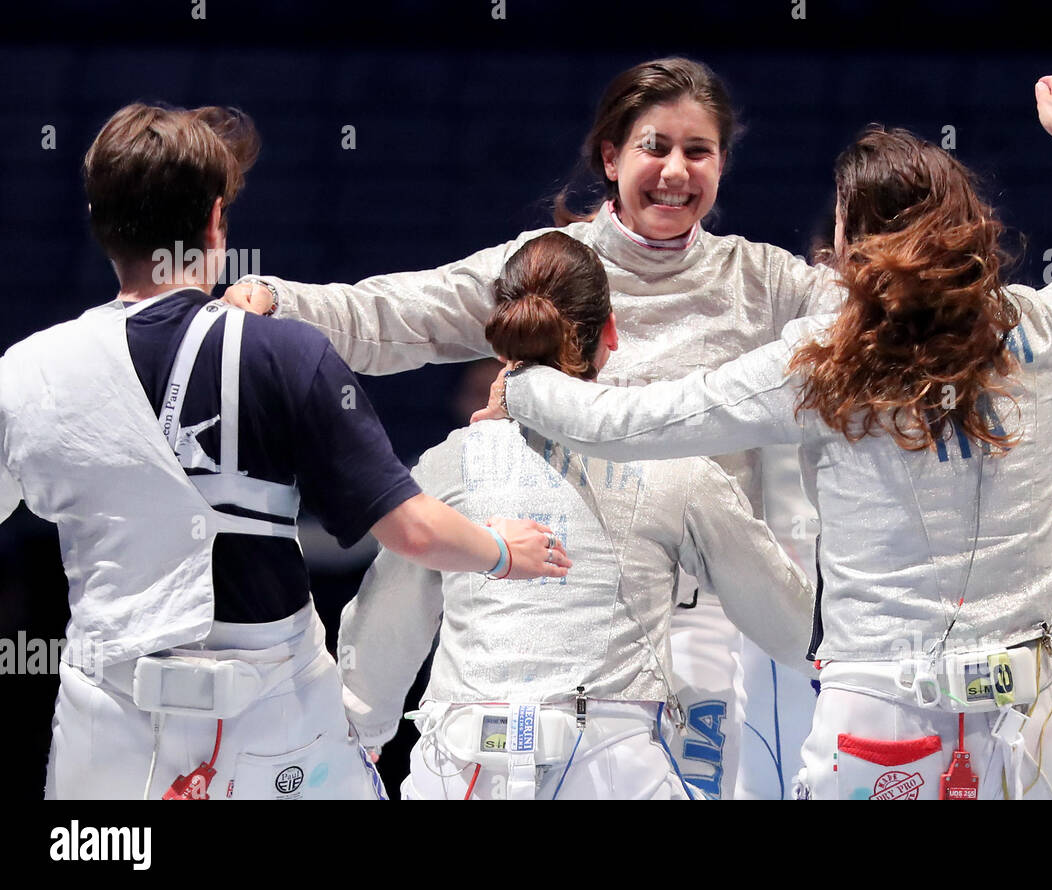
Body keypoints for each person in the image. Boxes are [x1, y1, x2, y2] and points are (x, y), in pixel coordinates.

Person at [476, 76, 1052, 799]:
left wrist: (525, 385)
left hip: (882, 718)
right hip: (1031, 716)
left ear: (852, 241)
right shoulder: (1037, 329)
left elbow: (634, 424)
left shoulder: (823, 362)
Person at [222, 57, 839, 798]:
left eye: (697, 151)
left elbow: (871, 324)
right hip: (535, 594)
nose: (675, 170)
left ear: (721, 163)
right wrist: (279, 301)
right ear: (611, 157)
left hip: (698, 609)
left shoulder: (763, 281)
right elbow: (402, 313)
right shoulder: (549, 268)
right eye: (655, 146)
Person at [0, 103, 567, 800]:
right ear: (215, 222)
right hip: (278, 729)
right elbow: (413, 530)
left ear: (99, 220)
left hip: (108, 733)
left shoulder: (27, 372)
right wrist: (505, 549)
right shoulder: (285, 351)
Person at [336, 231, 814, 799]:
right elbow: (787, 626)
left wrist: (360, 734)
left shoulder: (446, 466)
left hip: (461, 761)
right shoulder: (674, 465)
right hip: (610, 763)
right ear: (610, 333)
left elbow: (386, 626)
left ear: (503, 343)